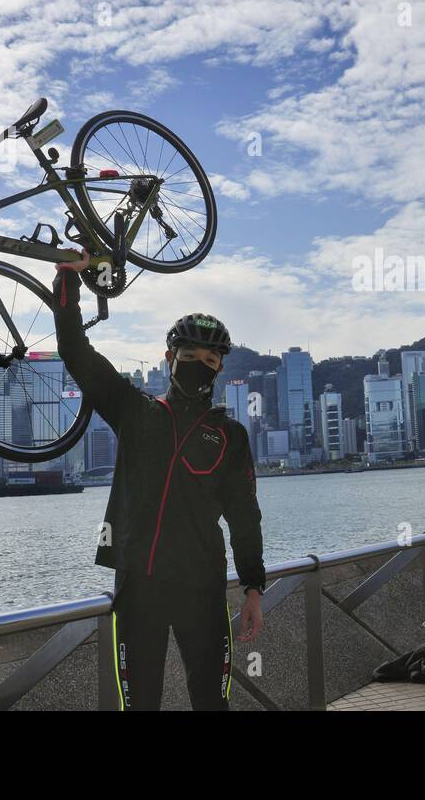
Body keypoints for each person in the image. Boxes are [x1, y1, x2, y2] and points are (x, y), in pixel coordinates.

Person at [52, 253, 265, 711]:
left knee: (212, 703)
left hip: (203, 588)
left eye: (209, 360)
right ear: (169, 358)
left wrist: (253, 588)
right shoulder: (135, 411)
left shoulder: (230, 435)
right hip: (138, 585)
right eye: (189, 357)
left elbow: (245, 516)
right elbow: (75, 351)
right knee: (139, 705)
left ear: (220, 368)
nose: (199, 366)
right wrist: (68, 276)